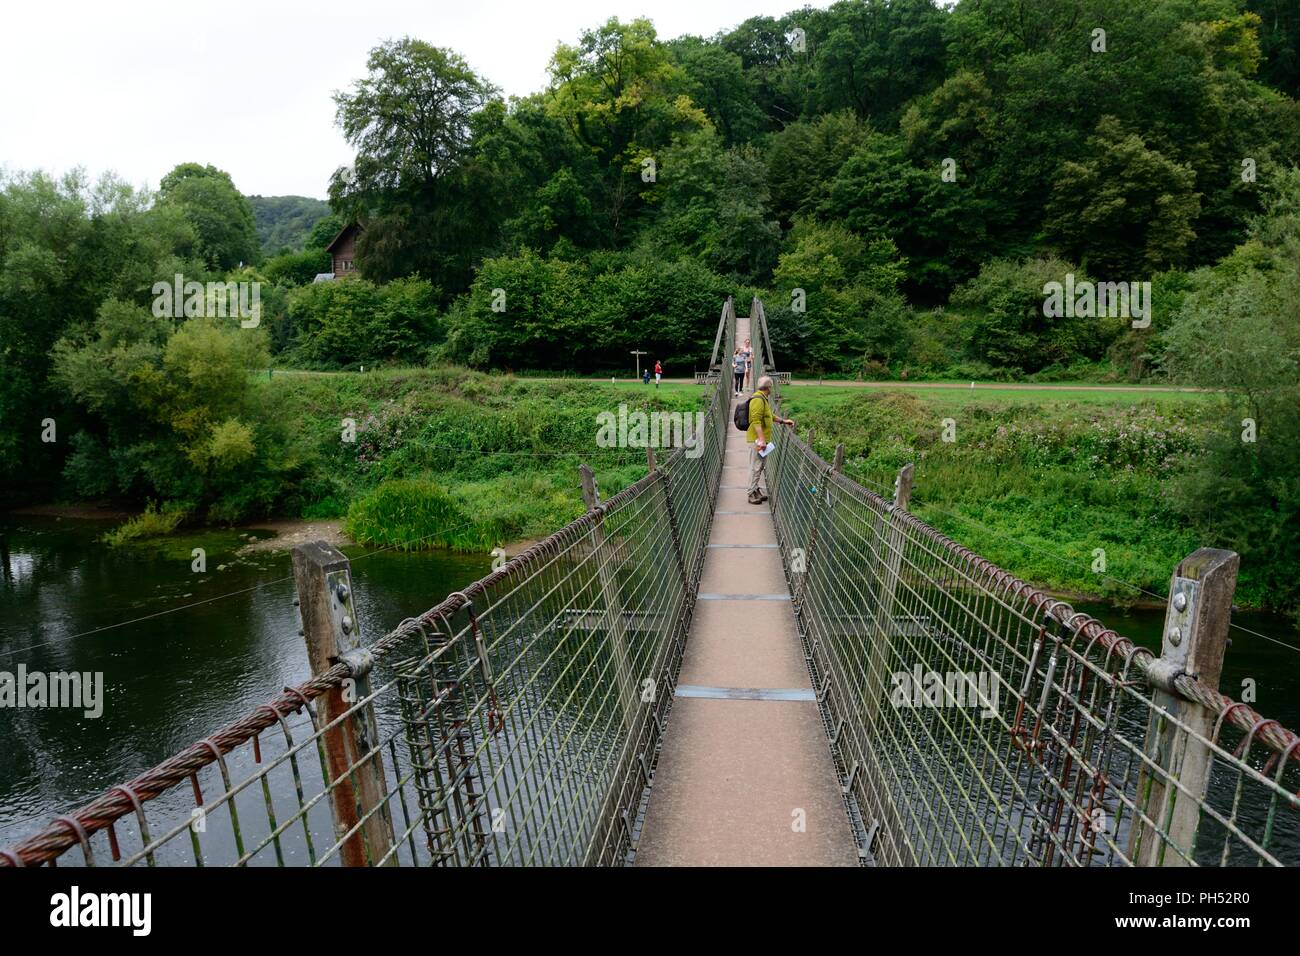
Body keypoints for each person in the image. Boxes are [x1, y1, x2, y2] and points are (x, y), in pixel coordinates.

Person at [746, 375, 794, 505]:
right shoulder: (757, 399)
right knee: (755, 466)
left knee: (759, 466)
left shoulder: (763, 398)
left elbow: (769, 416)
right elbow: (755, 420)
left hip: (762, 440)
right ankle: (751, 493)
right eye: (771, 387)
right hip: (757, 440)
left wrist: (783, 421)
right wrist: (761, 440)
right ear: (769, 387)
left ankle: (755, 489)